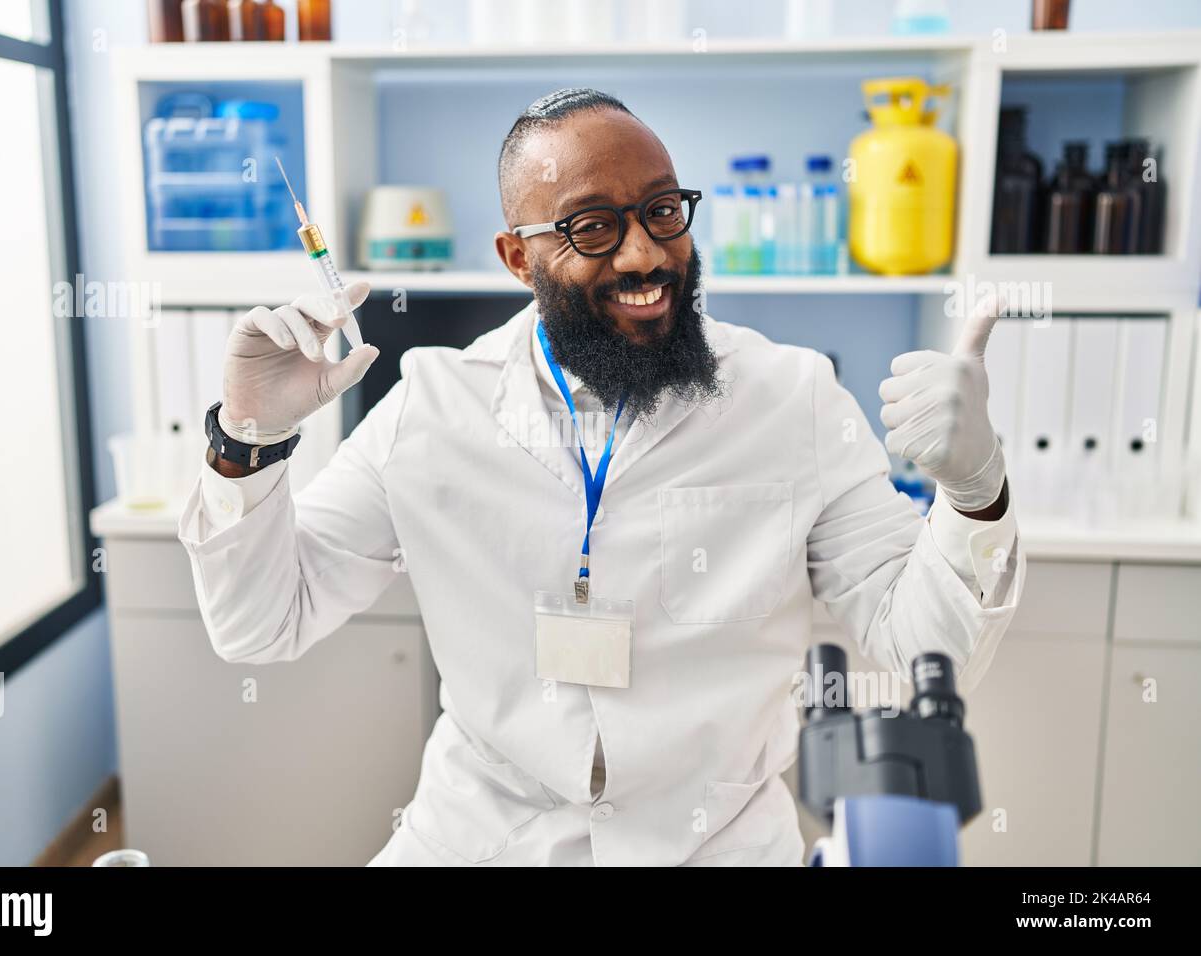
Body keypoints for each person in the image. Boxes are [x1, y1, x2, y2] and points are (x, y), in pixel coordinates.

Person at [179, 88, 1024, 866]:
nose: (644, 254)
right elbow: (260, 626)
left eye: (663, 211)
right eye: (591, 227)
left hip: (716, 847)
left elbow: (927, 649)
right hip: (481, 840)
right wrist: (248, 441)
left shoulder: (793, 399)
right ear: (518, 257)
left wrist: (975, 488)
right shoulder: (431, 410)